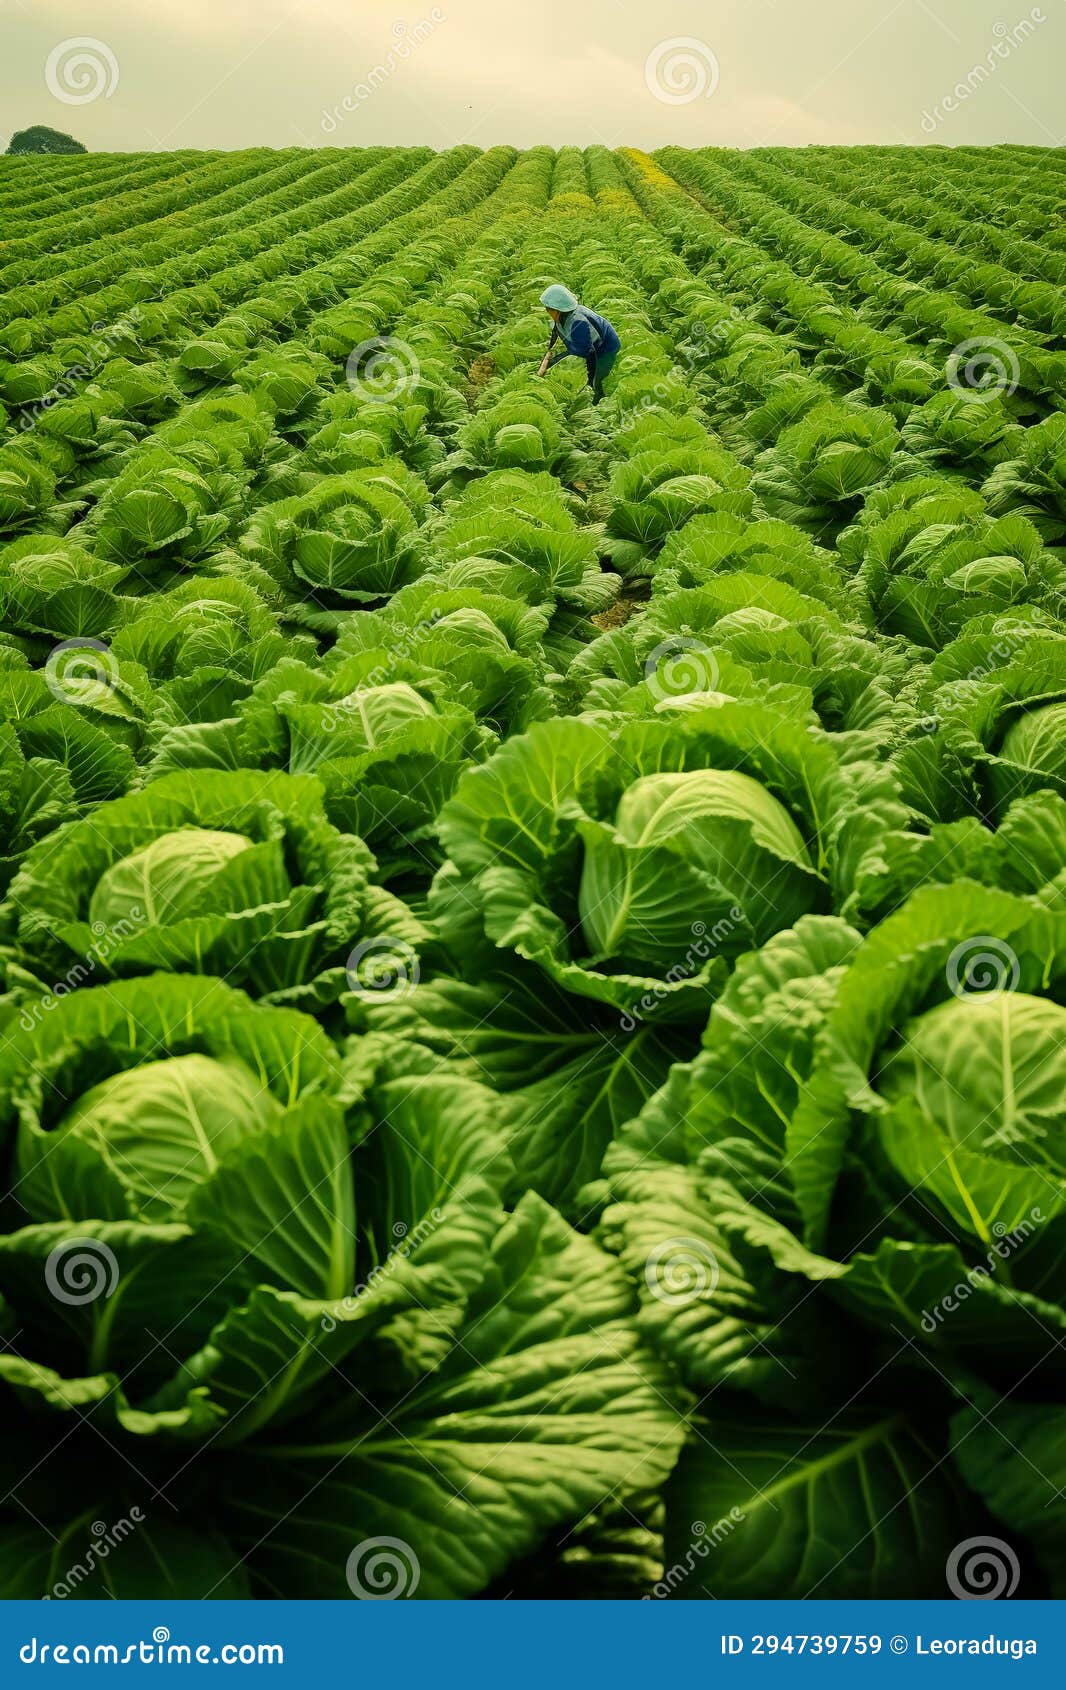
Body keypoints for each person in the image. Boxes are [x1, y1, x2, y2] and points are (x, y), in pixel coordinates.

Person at [537, 284, 621, 404]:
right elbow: (555, 334)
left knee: (598, 379)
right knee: (558, 362)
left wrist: (590, 380)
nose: (547, 311)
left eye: (548, 309)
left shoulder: (578, 323)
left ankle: (597, 401)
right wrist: (547, 357)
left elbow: (587, 354)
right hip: (584, 346)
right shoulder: (561, 317)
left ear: (557, 310)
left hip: (604, 348)